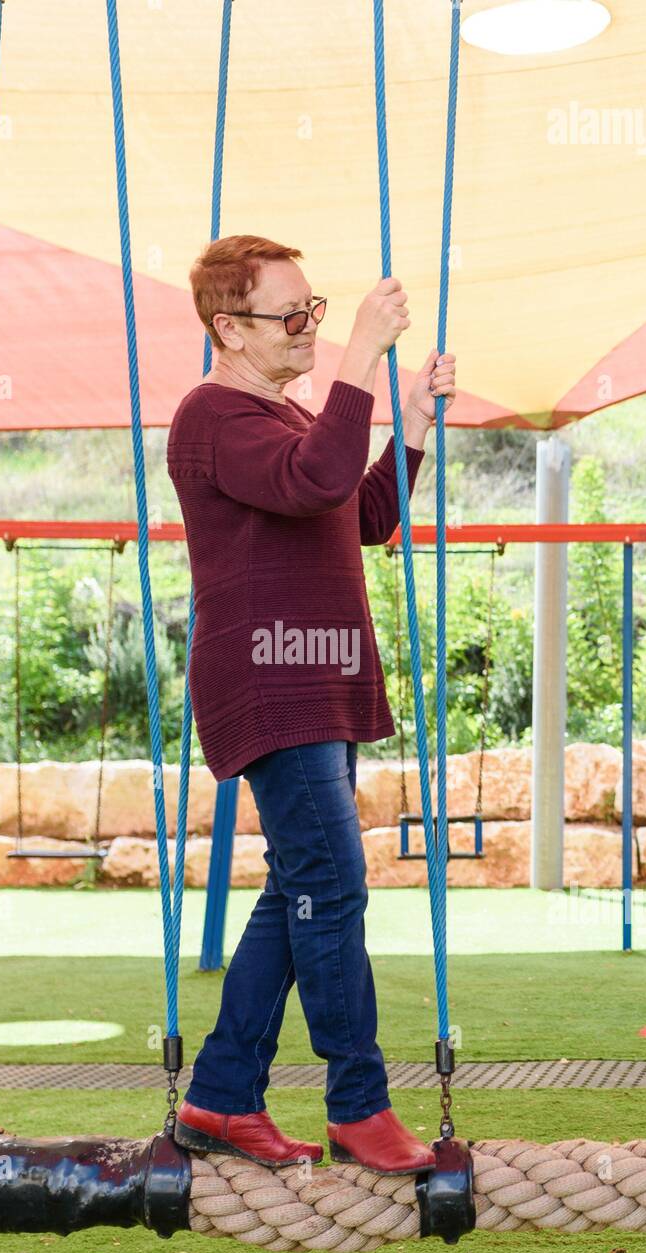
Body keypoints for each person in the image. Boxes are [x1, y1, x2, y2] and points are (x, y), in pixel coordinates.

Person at [166, 234, 456, 1175]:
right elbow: (322, 479)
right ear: (229, 327)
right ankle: (356, 1105)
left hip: (317, 677)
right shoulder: (212, 417)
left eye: (314, 312)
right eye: (288, 316)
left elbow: (360, 510)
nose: (307, 329)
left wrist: (408, 422)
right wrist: (363, 357)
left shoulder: (284, 417)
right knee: (332, 886)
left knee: (298, 888)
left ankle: (218, 1096)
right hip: (270, 677)